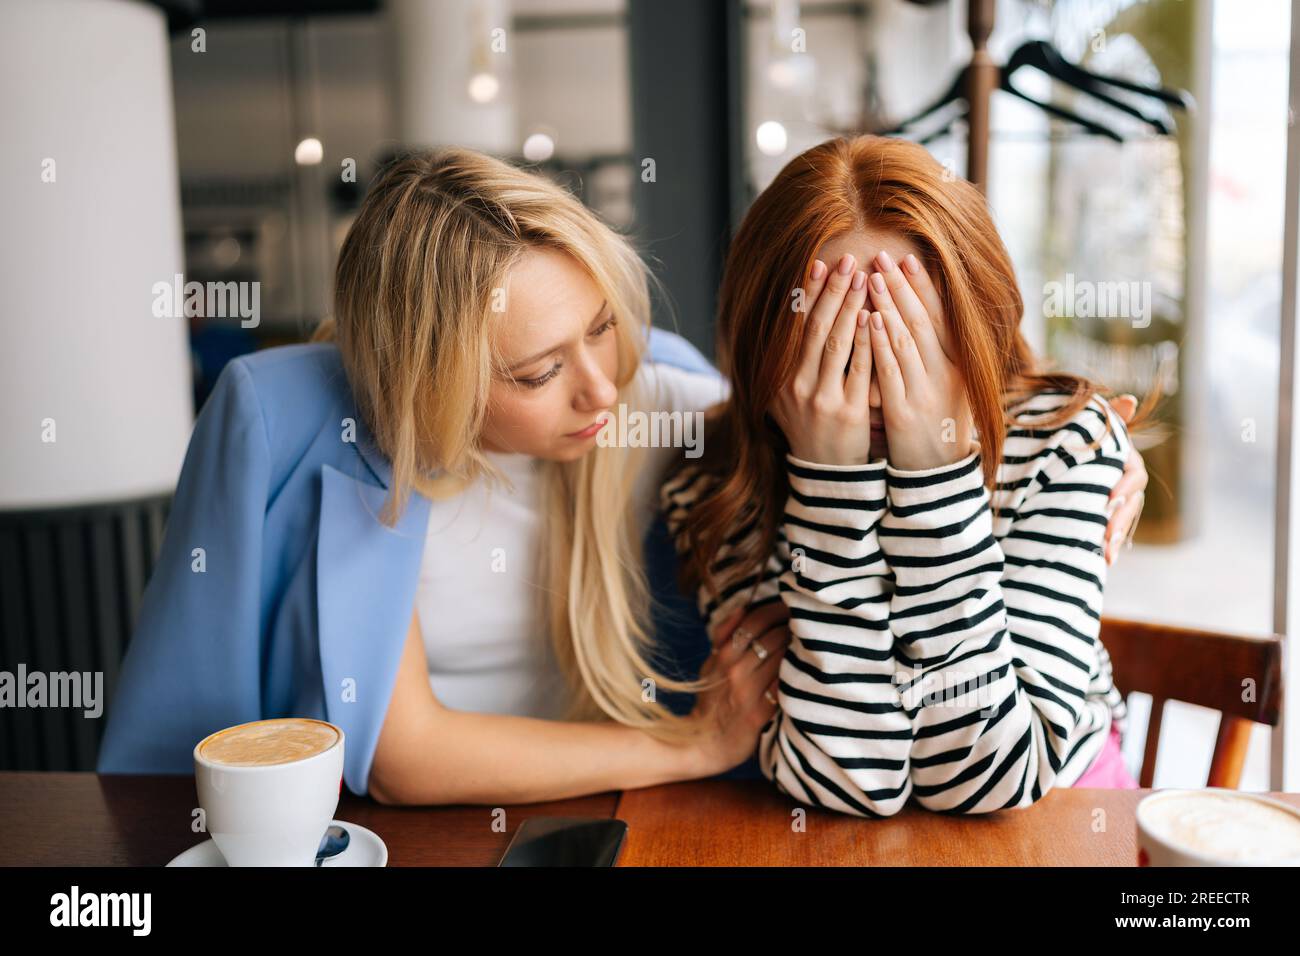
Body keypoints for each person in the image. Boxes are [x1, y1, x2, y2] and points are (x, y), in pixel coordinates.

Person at [97, 146, 782, 803]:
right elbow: (404, 757)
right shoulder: (285, 417)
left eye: (602, 325)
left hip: (627, 812)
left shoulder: (661, 395)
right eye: (540, 372)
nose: (601, 389)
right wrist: (693, 748)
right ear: (433, 382)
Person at [661, 134, 1151, 817]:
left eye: (910, 336)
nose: (879, 387)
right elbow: (848, 782)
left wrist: (937, 474)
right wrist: (829, 488)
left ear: (981, 322)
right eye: (835, 343)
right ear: (763, 340)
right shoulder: (719, 486)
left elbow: (992, 784)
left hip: (1063, 826)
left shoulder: (1062, 445)